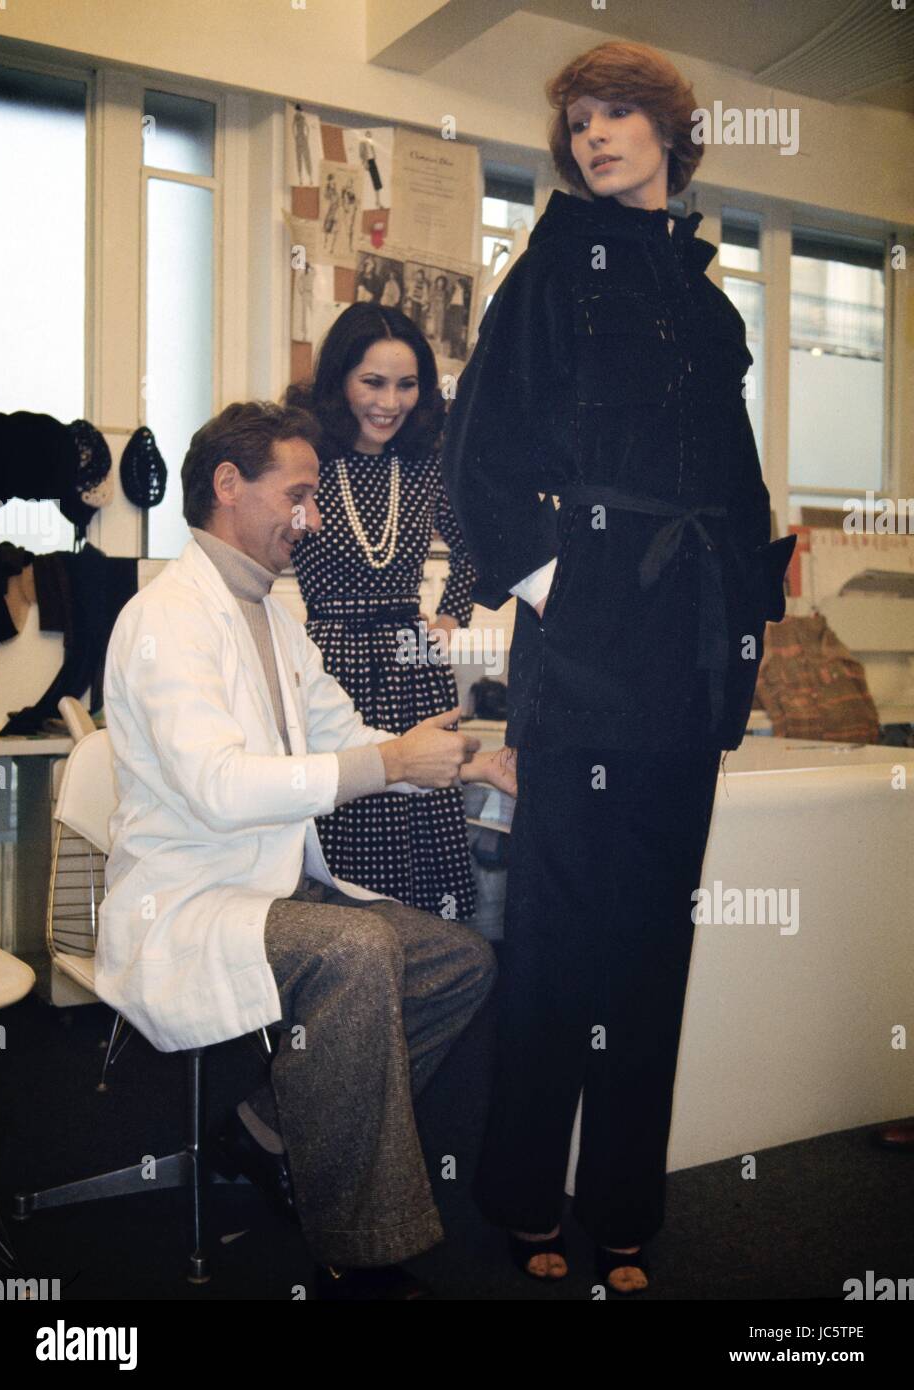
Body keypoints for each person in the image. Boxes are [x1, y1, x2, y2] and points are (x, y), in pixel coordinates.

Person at [441, 39, 796, 1294]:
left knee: (653, 948)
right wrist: (558, 589)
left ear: (666, 132)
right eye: (577, 121)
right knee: (557, 940)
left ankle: (625, 1204)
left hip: (685, 661)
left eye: (616, 116)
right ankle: (525, 1193)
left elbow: (739, 493)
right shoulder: (547, 268)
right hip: (588, 647)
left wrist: (737, 654)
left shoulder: (707, 299)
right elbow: (474, 453)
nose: (592, 136)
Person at [96, 400, 516, 1300]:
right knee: (358, 949)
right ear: (227, 488)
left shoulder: (274, 622)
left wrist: (469, 763)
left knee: (458, 960)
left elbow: (352, 740)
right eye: (299, 495)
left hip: (270, 890)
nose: (314, 518)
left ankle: (267, 1128)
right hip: (187, 903)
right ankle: (360, 1251)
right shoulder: (168, 620)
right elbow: (220, 784)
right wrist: (385, 759)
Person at [285, 302, 481, 921]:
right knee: (345, 817)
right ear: (340, 378)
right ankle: (344, 974)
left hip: (411, 659)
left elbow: (477, 541)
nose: (389, 402)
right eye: (372, 381)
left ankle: (431, 979)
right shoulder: (308, 458)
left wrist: (449, 617)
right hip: (330, 662)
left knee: (419, 820)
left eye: (406, 384)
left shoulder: (427, 462)